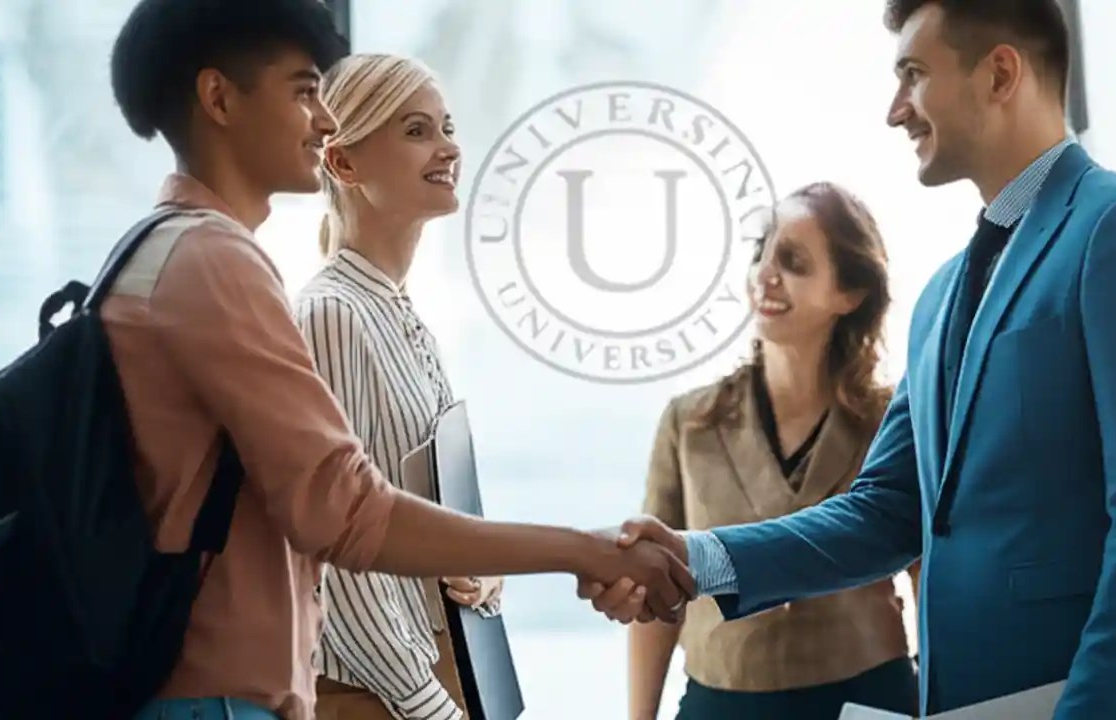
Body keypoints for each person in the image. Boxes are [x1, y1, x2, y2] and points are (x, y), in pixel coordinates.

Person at [586, 1, 1116, 718]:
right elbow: (884, 513)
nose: (896, 111)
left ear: (1000, 74)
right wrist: (695, 559)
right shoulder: (943, 295)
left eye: (913, 75)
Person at [106, 2, 692, 719]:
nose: (320, 122)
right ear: (219, 98)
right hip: (235, 697)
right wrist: (584, 552)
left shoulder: (175, 251)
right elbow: (344, 520)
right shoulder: (230, 267)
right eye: (301, 91)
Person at [625, 183, 920, 719]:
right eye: (761, 251)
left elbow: (932, 580)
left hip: (868, 698)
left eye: (794, 262)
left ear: (849, 295)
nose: (764, 273)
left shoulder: (892, 422)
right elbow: (654, 593)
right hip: (721, 702)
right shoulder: (688, 423)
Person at [294, 54, 498, 720]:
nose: (449, 146)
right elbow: (338, 551)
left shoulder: (398, 311)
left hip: (436, 666)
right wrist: (429, 706)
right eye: (417, 131)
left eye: (445, 126)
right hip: (378, 693)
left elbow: (421, 506)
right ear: (343, 164)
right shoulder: (333, 315)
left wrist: (482, 569)